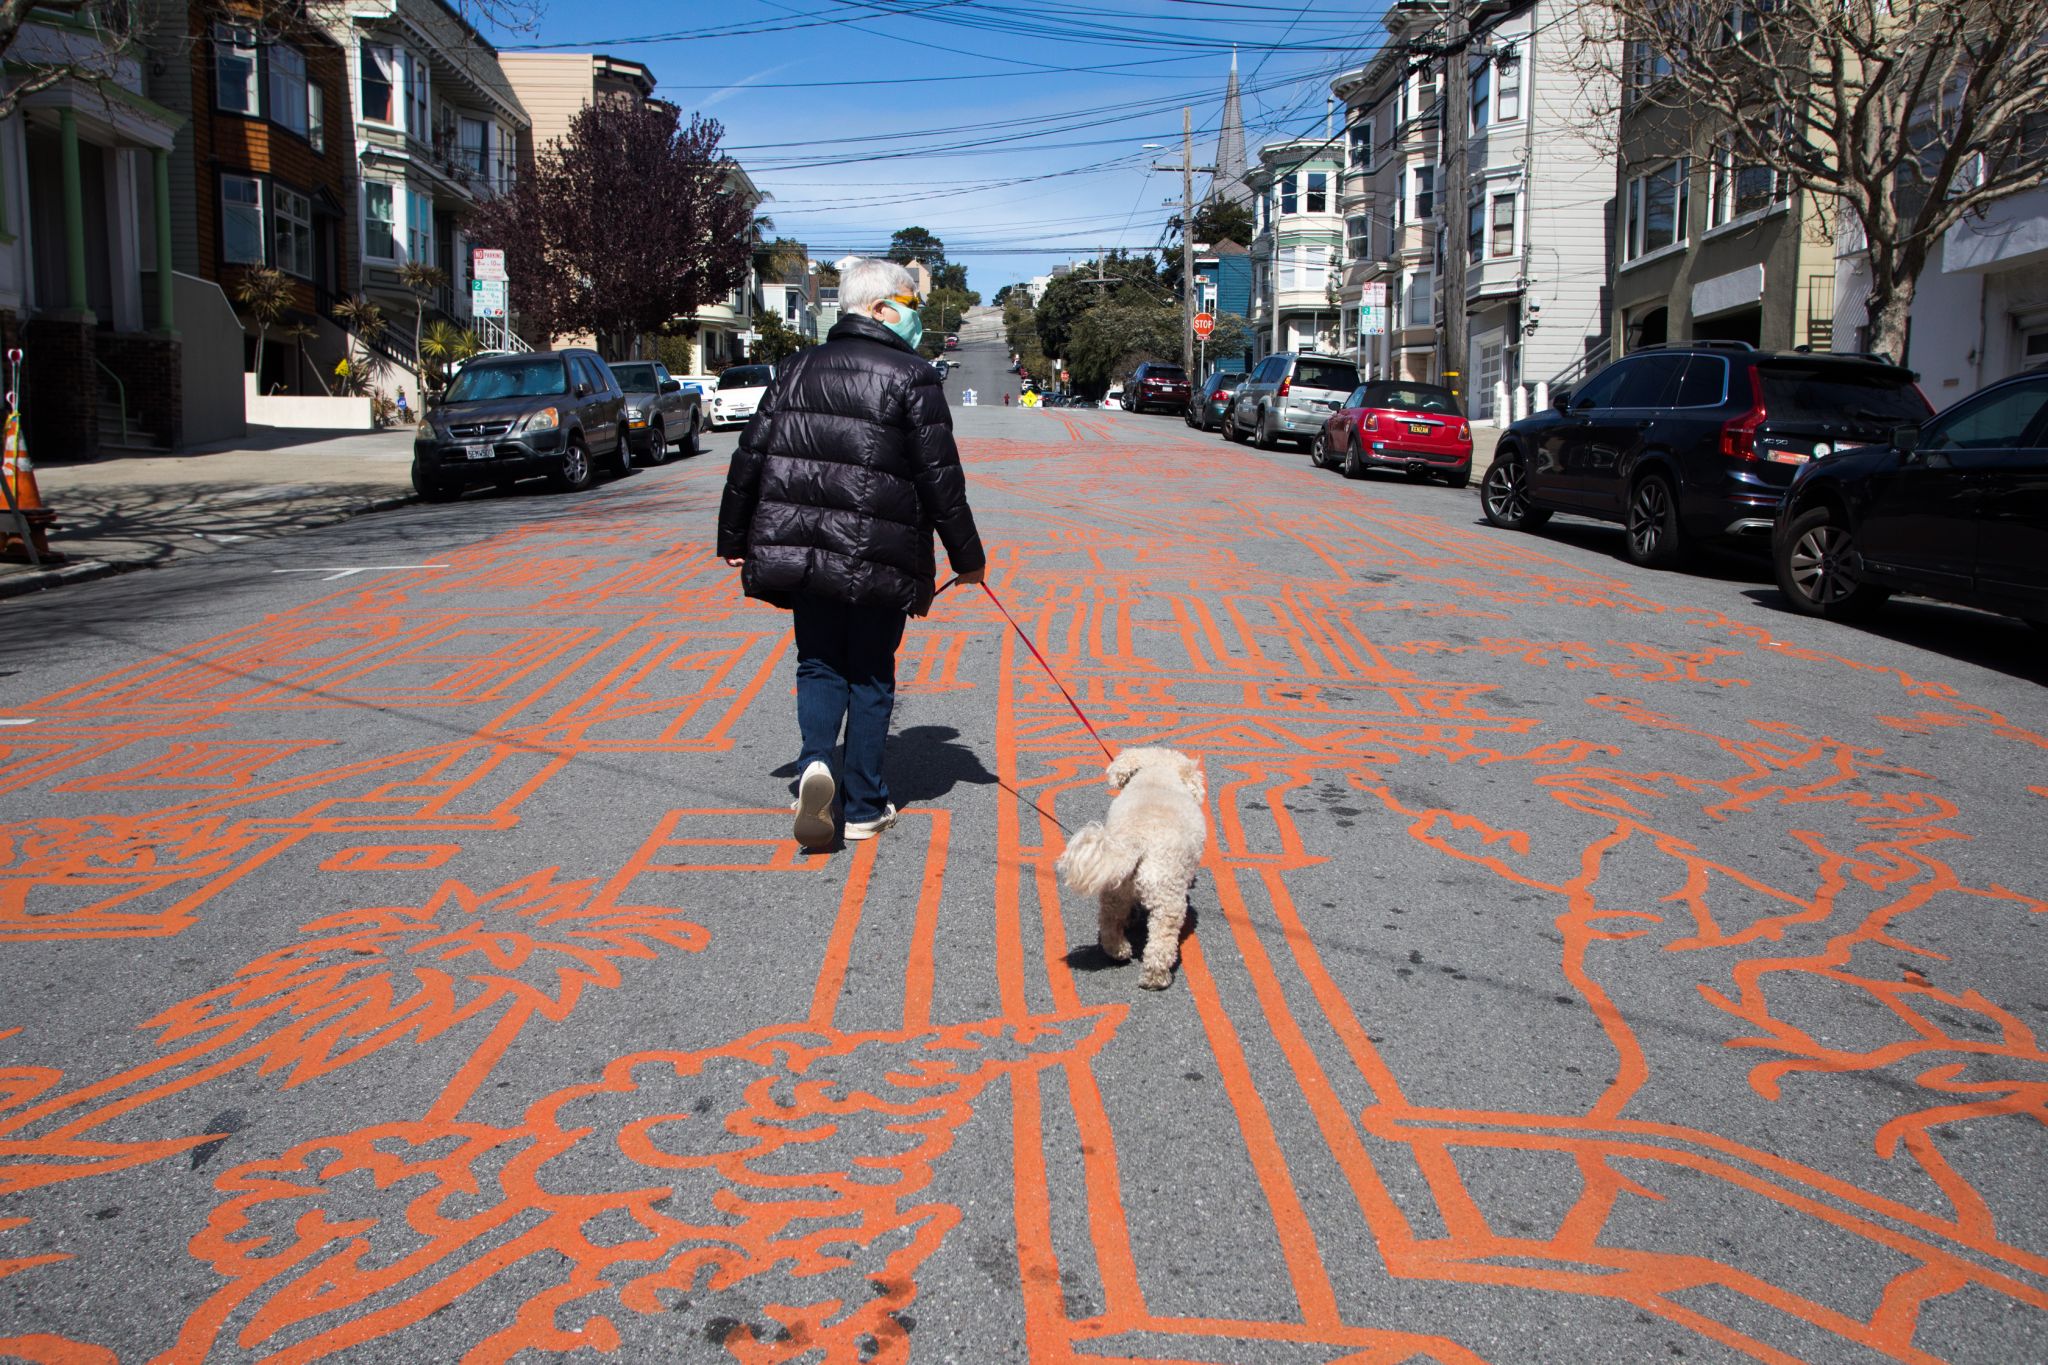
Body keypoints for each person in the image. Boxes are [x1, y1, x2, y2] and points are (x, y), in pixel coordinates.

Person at [717, 258, 986, 849]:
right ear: (881, 308)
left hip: (801, 545)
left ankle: (817, 762)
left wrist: (733, 538)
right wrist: (968, 558)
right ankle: (864, 805)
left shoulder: (792, 368)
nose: (917, 316)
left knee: (816, 662)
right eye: (912, 304)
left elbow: (750, 458)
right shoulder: (912, 376)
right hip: (878, 550)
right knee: (869, 673)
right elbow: (941, 477)